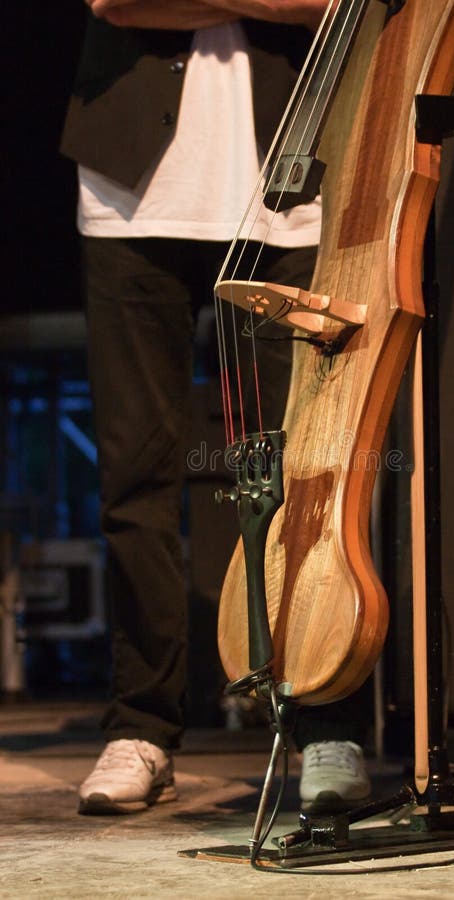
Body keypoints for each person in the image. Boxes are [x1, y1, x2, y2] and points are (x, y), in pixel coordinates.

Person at [61, 0, 372, 815]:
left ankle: (321, 721)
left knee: (305, 473)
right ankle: (143, 727)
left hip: (291, 185)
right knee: (136, 474)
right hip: (130, 194)